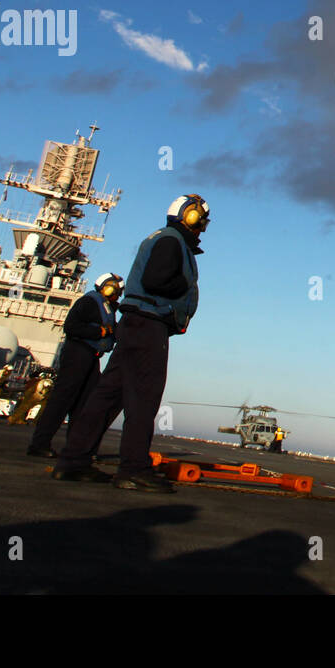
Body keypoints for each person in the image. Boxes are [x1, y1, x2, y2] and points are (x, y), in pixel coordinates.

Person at [52, 194, 207, 492]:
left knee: (108, 395)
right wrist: (183, 289)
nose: (202, 228)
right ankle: (133, 469)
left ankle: (73, 461)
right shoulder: (172, 241)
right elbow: (156, 281)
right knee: (143, 399)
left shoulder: (163, 238)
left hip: (133, 325)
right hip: (149, 325)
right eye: (201, 221)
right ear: (190, 217)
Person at [26, 273, 123, 457]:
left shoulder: (108, 308)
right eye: (116, 291)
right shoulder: (88, 302)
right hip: (78, 352)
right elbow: (71, 326)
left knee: (85, 403)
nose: (117, 295)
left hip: (92, 357)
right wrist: (99, 331)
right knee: (62, 399)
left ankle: (75, 448)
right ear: (107, 287)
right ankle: (39, 444)